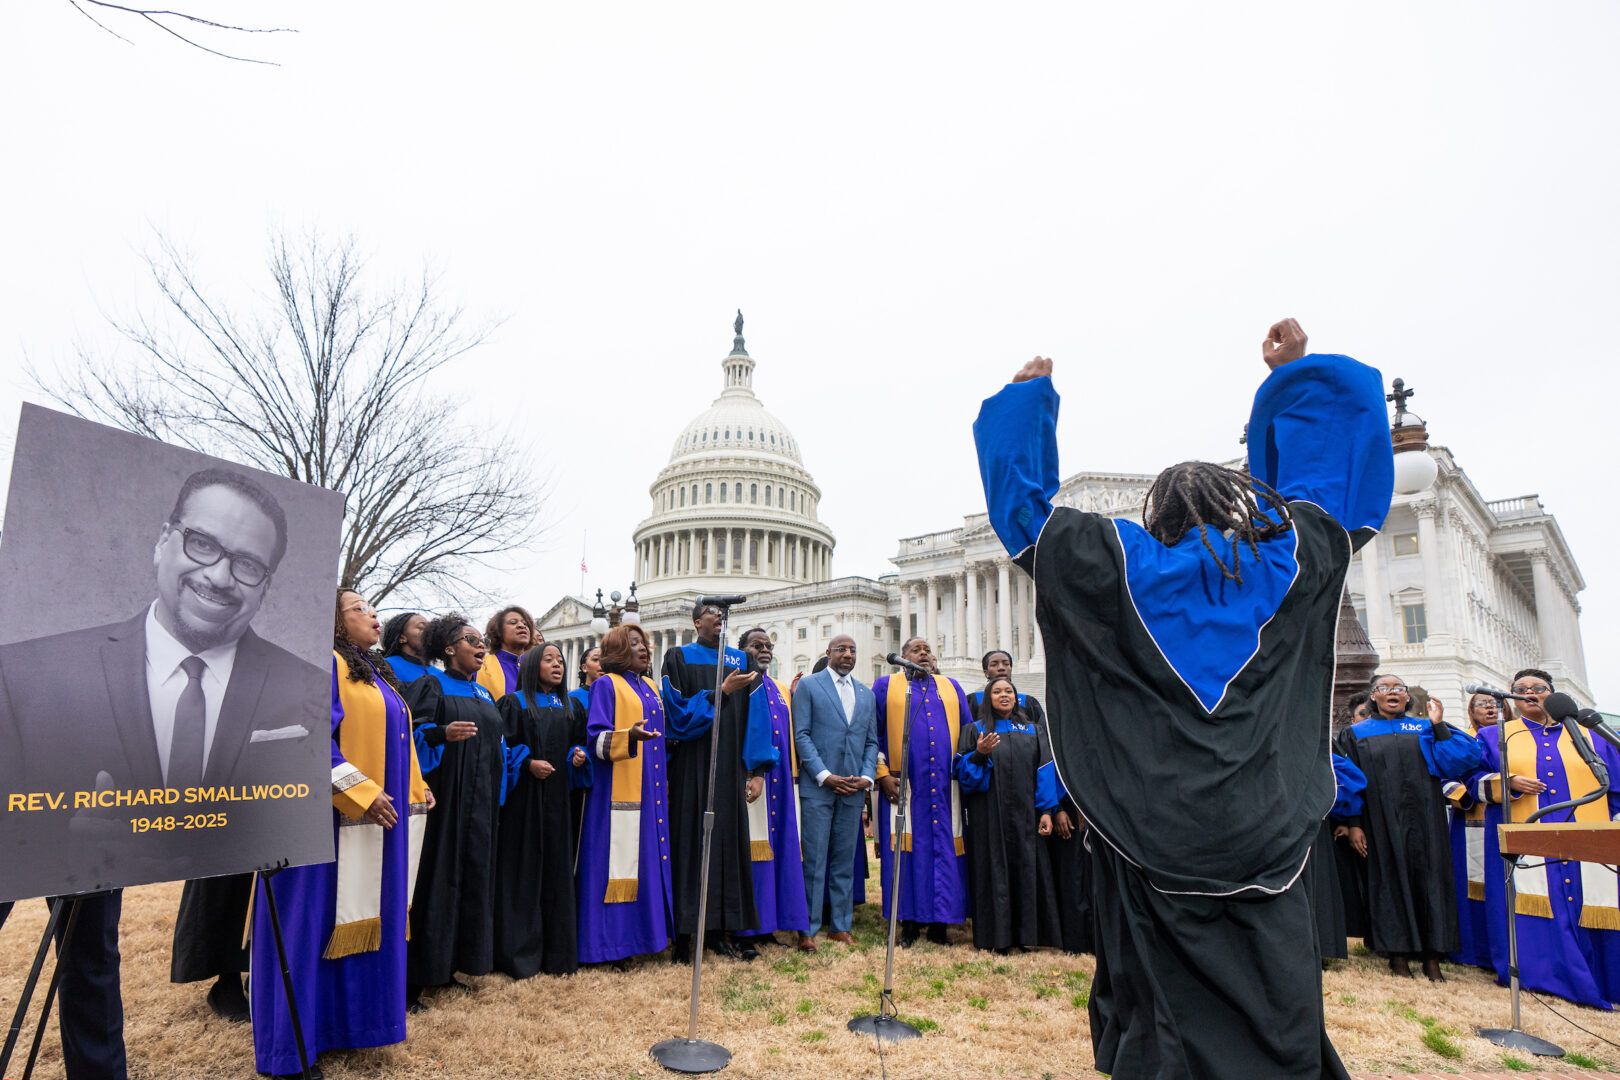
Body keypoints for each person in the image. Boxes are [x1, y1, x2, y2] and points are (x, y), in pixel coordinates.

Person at [974, 319, 1394, 1078]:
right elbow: (1335, 492)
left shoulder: (1117, 563)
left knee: (1163, 999)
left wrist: (1024, 405)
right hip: (1265, 830)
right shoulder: (1289, 561)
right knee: (1273, 990)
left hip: (1153, 831)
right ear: (1241, 508)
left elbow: (1025, 517)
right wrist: (1294, 377)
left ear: (1155, 518)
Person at [250, 590, 431, 1078]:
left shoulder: (373, 672)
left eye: (373, 608)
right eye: (358, 608)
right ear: (331, 618)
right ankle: (289, 1049)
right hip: (317, 824)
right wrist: (361, 791)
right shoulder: (319, 663)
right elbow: (305, 738)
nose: (372, 614)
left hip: (367, 820)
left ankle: (340, 1028)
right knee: (305, 929)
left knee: (352, 922)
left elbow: (397, 738)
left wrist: (417, 787)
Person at [1472, 670, 1620, 1009]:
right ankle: (1544, 974)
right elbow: (1472, 778)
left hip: (1586, 840)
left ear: (1552, 695)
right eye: (1520, 690)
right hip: (1529, 842)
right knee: (1539, 901)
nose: (1529, 694)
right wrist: (1506, 783)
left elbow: (1616, 786)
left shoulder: (1590, 734)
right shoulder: (1495, 736)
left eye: (1538, 688)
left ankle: (1600, 979)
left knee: (1590, 904)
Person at [407, 613, 530, 1009]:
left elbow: (500, 746)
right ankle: (417, 974)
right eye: (470, 640)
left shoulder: (483, 695)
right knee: (437, 880)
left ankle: (451, 967)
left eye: (481, 641)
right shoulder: (431, 683)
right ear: (448, 648)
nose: (480, 647)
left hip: (481, 805)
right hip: (446, 802)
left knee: (472, 879)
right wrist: (442, 734)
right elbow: (411, 736)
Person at [1337, 675, 1481, 980]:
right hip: (1379, 821)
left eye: (1398, 688)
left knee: (1431, 882)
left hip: (1426, 818)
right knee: (1387, 882)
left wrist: (1439, 724)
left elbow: (1464, 759)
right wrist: (1353, 824)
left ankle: (1433, 957)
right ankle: (1398, 957)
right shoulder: (1355, 733)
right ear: (1373, 696)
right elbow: (1348, 781)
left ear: (1407, 698)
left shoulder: (1425, 727)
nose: (1392, 692)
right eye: (1385, 688)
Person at [660, 601, 776, 962]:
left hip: (728, 768)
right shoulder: (678, 658)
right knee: (689, 844)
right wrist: (720, 693)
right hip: (690, 764)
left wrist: (756, 770)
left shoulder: (742, 660)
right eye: (711, 612)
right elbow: (676, 714)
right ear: (696, 622)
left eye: (722, 613)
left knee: (727, 846)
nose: (719, 616)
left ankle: (720, 931)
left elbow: (757, 717)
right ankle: (684, 935)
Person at [576, 624, 674, 965]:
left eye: (645, 642)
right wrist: (628, 736)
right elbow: (596, 740)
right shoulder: (607, 685)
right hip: (617, 794)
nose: (644, 648)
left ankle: (646, 938)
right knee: (615, 865)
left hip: (653, 790)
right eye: (634, 643)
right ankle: (610, 946)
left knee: (647, 862)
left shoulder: (649, 686)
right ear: (617, 649)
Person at [873, 636, 972, 947]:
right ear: (903, 657)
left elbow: (968, 732)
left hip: (944, 786)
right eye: (916, 649)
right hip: (904, 784)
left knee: (944, 849)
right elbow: (871, 732)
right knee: (906, 850)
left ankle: (941, 922)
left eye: (928, 649)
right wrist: (882, 774)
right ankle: (909, 923)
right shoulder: (885, 686)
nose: (924, 653)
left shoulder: (951, 687)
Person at [955, 674, 1062, 953]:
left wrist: (1046, 812)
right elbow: (964, 778)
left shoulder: (1032, 730)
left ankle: (1025, 935)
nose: (1004, 695)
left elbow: (1044, 771)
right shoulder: (974, 730)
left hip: (1026, 816)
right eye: (997, 692)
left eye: (1009, 692)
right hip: (988, 815)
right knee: (993, 869)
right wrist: (978, 754)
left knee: (1025, 869)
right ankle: (995, 938)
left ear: (1016, 697)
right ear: (987, 699)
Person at [492, 643, 581, 978]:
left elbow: (577, 739)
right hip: (524, 803)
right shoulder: (514, 704)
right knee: (524, 871)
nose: (557, 665)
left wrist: (577, 753)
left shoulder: (568, 704)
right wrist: (527, 763)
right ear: (531, 666)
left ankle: (558, 955)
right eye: (548, 659)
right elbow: (503, 747)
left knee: (557, 871)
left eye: (560, 660)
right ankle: (519, 956)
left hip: (559, 801)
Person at [791, 634, 876, 951]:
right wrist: (824, 775)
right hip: (820, 789)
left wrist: (867, 777)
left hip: (853, 789)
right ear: (828, 653)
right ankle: (809, 928)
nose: (848, 654)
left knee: (843, 860)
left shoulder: (865, 694)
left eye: (853, 649)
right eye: (841, 649)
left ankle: (841, 926)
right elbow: (802, 734)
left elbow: (871, 741)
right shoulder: (810, 687)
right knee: (814, 860)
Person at [732, 628, 810, 947]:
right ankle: (745, 929)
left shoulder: (778, 688)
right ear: (742, 651)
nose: (764, 650)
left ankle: (769, 924)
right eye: (756, 645)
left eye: (768, 645)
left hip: (781, 781)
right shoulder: (739, 684)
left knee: (778, 853)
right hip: (750, 777)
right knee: (752, 852)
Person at [1444, 691, 1504, 969]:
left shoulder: (1511, 737)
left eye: (1495, 704)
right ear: (1471, 710)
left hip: (1509, 817)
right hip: (1471, 818)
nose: (1490, 708)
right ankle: (1476, 948)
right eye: (1483, 704)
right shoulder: (1463, 738)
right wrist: (1462, 795)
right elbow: (1445, 775)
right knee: (1473, 884)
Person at [477, 605, 536, 700]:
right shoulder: (481, 665)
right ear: (498, 631)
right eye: (513, 622)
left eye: (525, 624)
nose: (522, 626)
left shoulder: (538, 669)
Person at [381, 611, 435, 684]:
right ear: (402, 638)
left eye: (430, 628)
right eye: (421, 627)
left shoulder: (440, 675)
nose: (429, 632)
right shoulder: (385, 667)